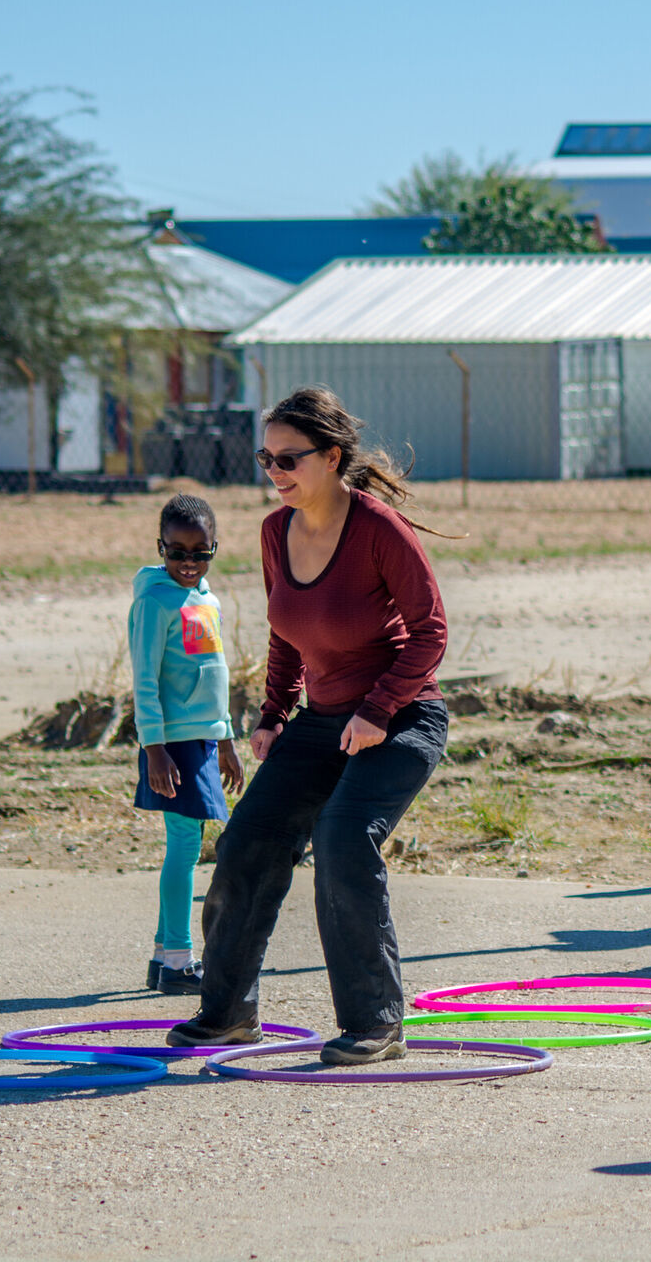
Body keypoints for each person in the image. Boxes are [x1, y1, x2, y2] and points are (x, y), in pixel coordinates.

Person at [168, 387, 450, 1065]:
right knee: (246, 844)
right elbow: (286, 634)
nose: (275, 472)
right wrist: (272, 714)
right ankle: (228, 1014)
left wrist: (378, 709)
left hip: (403, 718)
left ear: (331, 457)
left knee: (344, 838)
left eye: (289, 458)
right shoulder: (275, 532)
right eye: (265, 459)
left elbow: (430, 632)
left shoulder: (378, 528)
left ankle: (377, 1023)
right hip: (322, 723)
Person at [130, 494, 245, 996]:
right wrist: (154, 748)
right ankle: (178, 959)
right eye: (176, 552)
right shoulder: (154, 602)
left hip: (201, 740)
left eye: (200, 552)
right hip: (171, 745)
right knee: (184, 847)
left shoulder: (206, 600)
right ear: (160, 548)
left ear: (215, 549)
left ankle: (163, 956)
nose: (187, 562)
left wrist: (225, 739)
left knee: (187, 844)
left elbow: (213, 677)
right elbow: (145, 680)